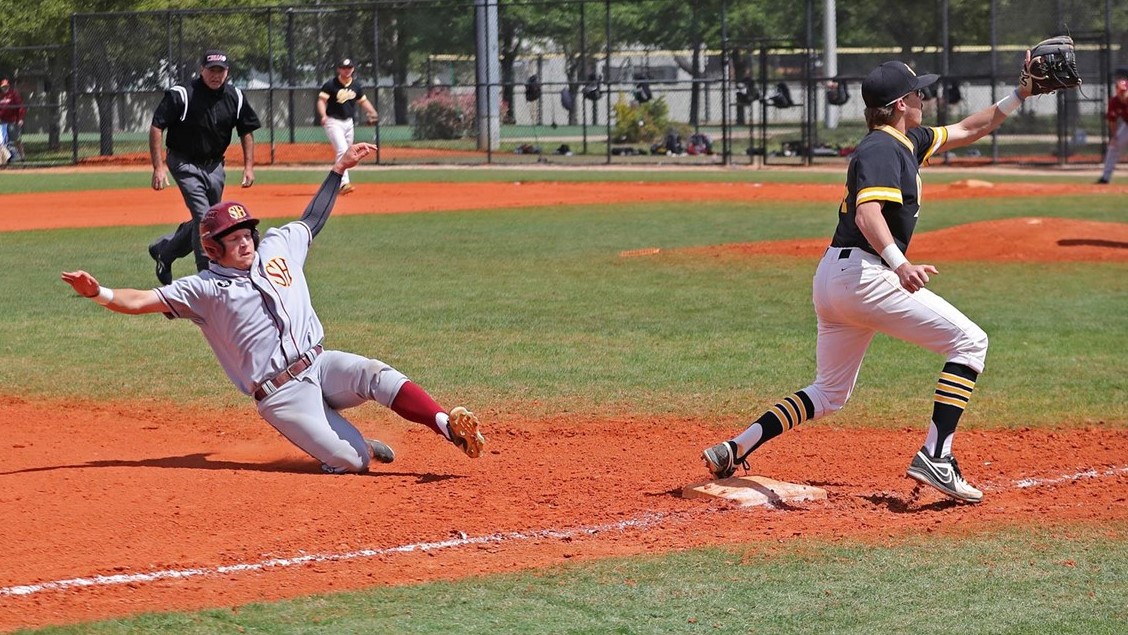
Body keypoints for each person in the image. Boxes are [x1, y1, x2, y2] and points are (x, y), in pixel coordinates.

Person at [701, 59, 1038, 504]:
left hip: (834, 278)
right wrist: (900, 264)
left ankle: (735, 448)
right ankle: (937, 455)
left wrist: (1021, 93)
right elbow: (867, 212)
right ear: (901, 104)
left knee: (828, 392)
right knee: (970, 342)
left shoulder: (905, 141)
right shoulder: (881, 149)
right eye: (918, 94)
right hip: (866, 275)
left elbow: (968, 128)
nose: (925, 98)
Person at [62, 143, 485, 474]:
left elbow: (312, 219)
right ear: (213, 247)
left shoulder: (278, 249)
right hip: (281, 396)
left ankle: (446, 424)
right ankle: (347, 441)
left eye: (247, 231)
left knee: (374, 373)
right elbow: (141, 301)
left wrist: (337, 171)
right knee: (353, 461)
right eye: (234, 236)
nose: (245, 240)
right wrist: (100, 293)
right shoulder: (204, 289)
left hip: (320, 364)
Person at [148, 49, 262, 285]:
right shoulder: (182, 95)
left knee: (211, 219)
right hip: (184, 162)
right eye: (211, 70)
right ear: (202, 70)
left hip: (215, 166)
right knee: (203, 217)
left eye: (220, 71)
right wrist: (158, 168)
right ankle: (207, 277)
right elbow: (157, 126)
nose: (216, 75)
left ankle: (165, 252)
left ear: (227, 72)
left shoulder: (235, 97)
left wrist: (248, 166)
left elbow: (246, 131)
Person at [317, 57, 379, 196]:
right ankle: (344, 183)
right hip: (333, 121)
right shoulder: (331, 84)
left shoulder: (356, 85)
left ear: (353, 69)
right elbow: (321, 101)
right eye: (344, 68)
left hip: (348, 123)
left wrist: (372, 112)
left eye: (349, 68)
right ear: (339, 69)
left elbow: (363, 101)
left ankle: (335, 183)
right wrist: (323, 115)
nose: (347, 70)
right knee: (342, 150)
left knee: (348, 153)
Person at [1097, 67, 1128, 184]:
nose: (1122, 93)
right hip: (1127, 125)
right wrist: (1114, 137)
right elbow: (1112, 121)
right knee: (1113, 147)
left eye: (1124, 91)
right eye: (1120, 91)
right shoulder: (1114, 102)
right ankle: (1105, 177)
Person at [0, 77, 27, 161]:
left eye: (6, 86)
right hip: (2, 122)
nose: (5, 88)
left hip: (13, 121)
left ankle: (23, 157)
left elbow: (21, 107)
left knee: (17, 140)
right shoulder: (0, 96)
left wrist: (20, 119)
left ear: (9, 86)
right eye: (3, 87)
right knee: (3, 141)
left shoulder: (13, 94)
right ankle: (6, 159)